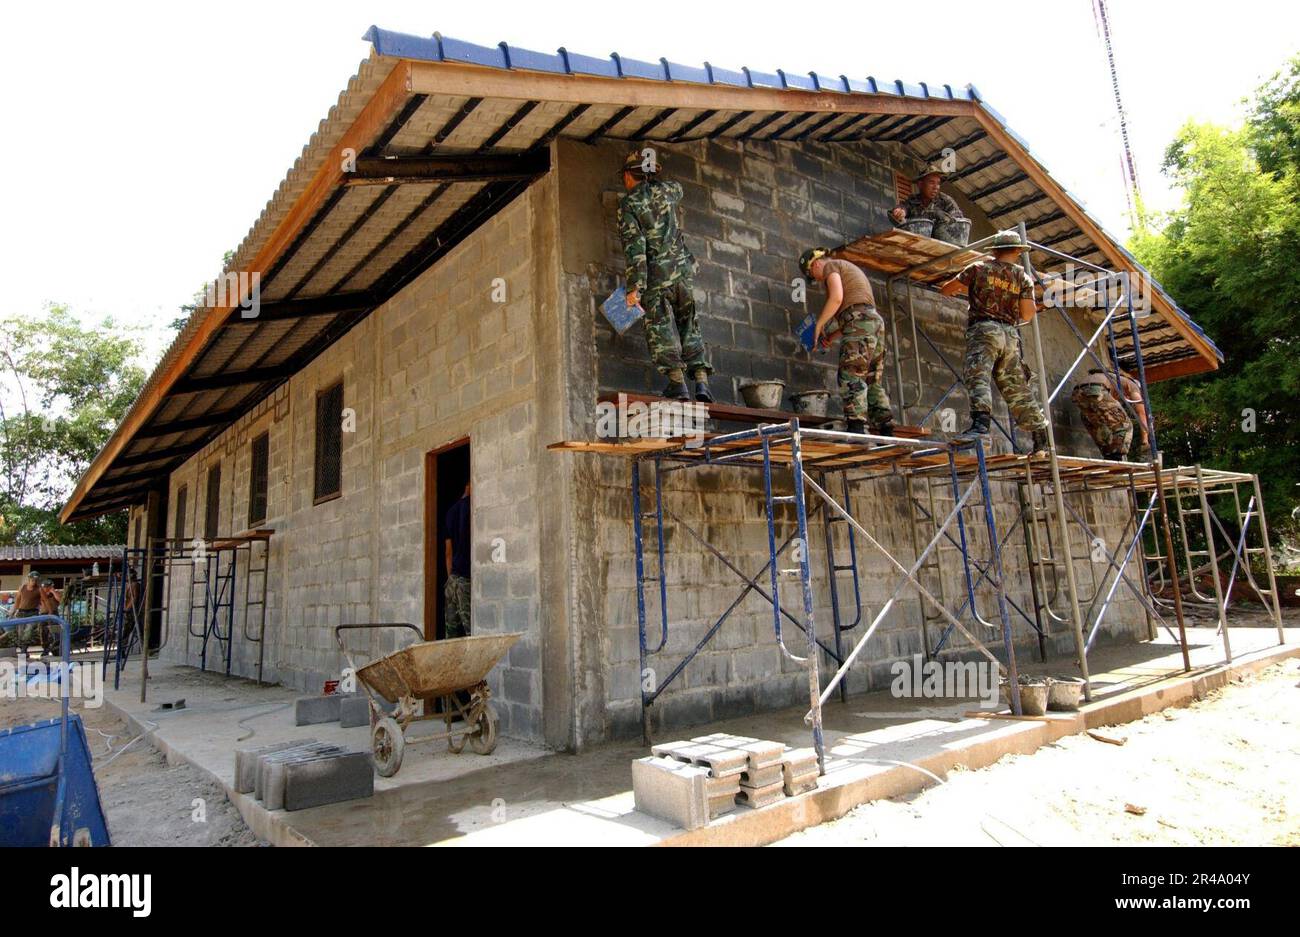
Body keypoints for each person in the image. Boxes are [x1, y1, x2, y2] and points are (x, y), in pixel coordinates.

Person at [939, 230, 1049, 453]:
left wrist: (971, 288)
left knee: (977, 374)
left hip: (984, 330)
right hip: (1010, 335)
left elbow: (946, 290)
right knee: (1016, 385)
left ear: (995, 250)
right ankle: (1041, 439)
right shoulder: (1023, 278)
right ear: (1018, 251)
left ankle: (980, 426)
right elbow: (1028, 314)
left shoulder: (979, 268)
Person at [618, 150, 712, 403]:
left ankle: (677, 383)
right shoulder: (668, 191)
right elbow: (678, 189)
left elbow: (634, 247)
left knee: (660, 329)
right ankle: (702, 381)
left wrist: (634, 289)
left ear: (628, 176)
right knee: (689, 324)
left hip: (656, 279)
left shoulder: (629, 204)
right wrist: (653, 179)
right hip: (682, 273)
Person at [799, 247, 897, 437]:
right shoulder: (847, 270)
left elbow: (837, 298)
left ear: (816, 263)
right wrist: (832, 336)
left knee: (850, 374)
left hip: (860, 321)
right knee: (871, 379)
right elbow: (855, 314)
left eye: (812, 274)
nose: (817, 280)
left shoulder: (830, 267)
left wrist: (819, 325)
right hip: (873, 322)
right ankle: (886, 429)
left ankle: (856, 428)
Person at [1071, 367, 1150, 461]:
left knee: (1098, 426)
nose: (1127, 397)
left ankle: (1108, 455)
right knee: (1125, 425)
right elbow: (1142, 413)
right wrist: (1145, 441)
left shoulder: (1111, 379)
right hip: (1097, 389)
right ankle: (1117, 456)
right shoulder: (1133, 385)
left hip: (1077, 393)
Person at [891, 165, 966, 227]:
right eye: (931, 182)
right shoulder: (913, 201)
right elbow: (904, 207)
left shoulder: (946, 201)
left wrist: (942, 217)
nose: (936, 187)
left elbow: (960, 224)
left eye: (938, 183)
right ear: (920, 185)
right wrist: (900, 211)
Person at [443, 482, 472, 639]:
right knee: (471, 631)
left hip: (452, 580)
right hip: (466, 580)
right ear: (469, 485)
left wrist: (450, 578)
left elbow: (448, 551)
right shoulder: (473, 508)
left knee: (451, 633)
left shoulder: (450, 512)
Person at [12, 570, 42, 653]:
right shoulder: (22, 587)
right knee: (20, 633)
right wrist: (14, 611)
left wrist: (48, 612)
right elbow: (18, 599)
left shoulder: (39, 589)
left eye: (36, 580)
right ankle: (23, 649)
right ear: (29, 579)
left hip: (32, 612)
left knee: (29, 630)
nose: (34, 581)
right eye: (33, 580)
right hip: (21, 612)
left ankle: (24, 649)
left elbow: (45, 600)